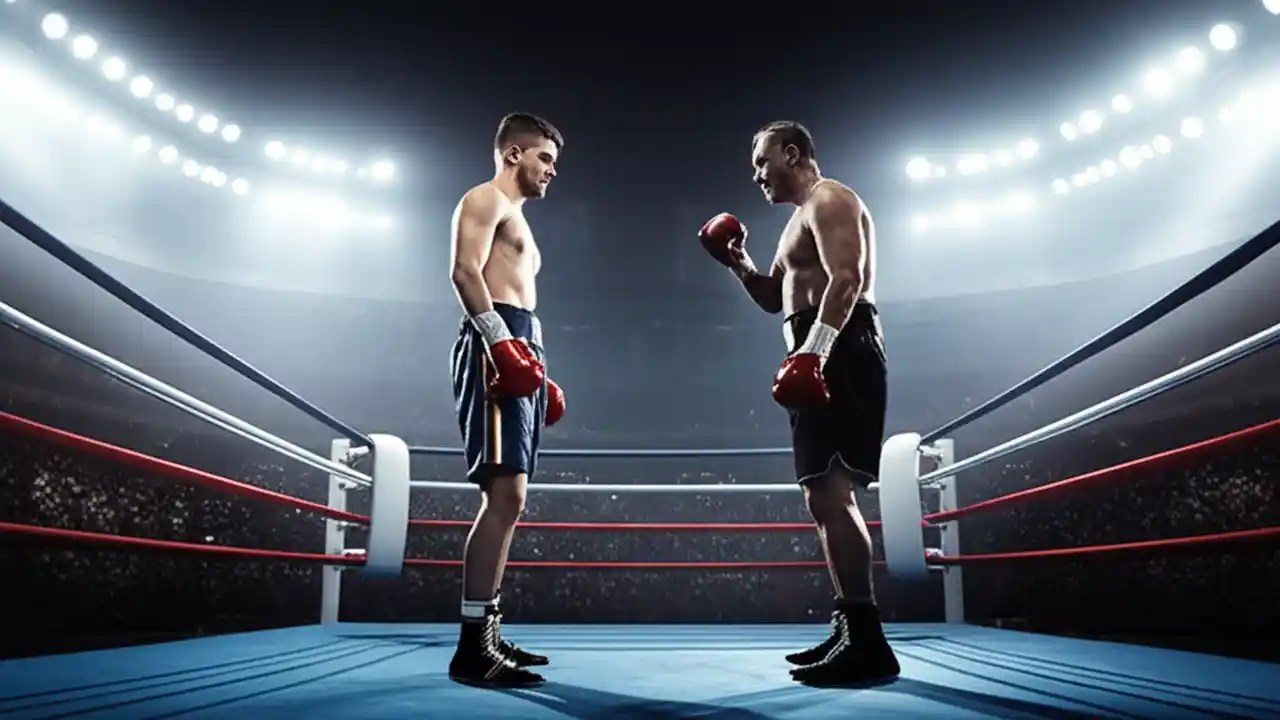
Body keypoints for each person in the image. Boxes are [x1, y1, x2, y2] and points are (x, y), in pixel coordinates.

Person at [698, 120, 900, 686]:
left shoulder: (831, 198)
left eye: (762, 162)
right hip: (813, 348)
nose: (757, 176)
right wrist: (738, 262)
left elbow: (847, 278)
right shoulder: (796, 221)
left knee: (833, 493)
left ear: (792, 153)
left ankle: (868, 642)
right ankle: (850, 626)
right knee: (821, 495)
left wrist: (815, 352)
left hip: (839, 346)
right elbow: (774, 298)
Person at [446, 112, 567, 688]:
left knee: (512, 499)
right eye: (545, 157)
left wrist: (537, 365)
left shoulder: (517, 216)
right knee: (504, 494)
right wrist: (501, 346)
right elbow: (464, 272)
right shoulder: (485, 198)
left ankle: (488, 631)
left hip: (521, 338)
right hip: (496, 340)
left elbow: (517, 292)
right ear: (514, 153)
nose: (552, 170)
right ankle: (472, 646)